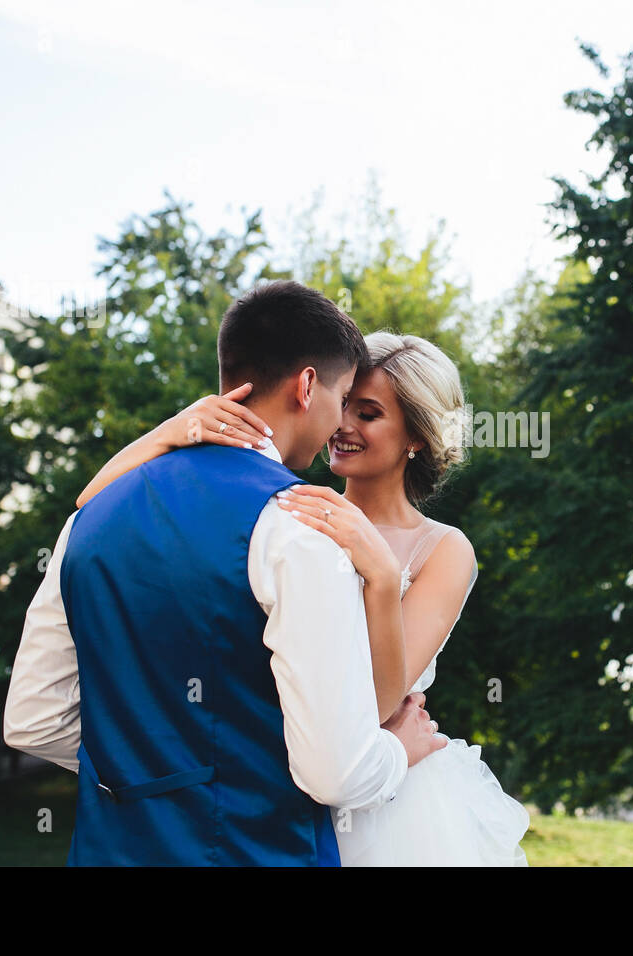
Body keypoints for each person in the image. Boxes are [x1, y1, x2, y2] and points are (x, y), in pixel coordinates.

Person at [3, 280, 446, 865]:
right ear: (308, 385)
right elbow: (337, 775)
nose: (339, 422)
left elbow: (34, 722)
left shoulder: (89, 518)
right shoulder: (301, 527)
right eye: (343, 398)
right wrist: (396, 748)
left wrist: (153, 772)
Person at [75, 328, 529, 866]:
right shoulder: (293, 513)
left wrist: (382, 577)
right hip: (273, 778)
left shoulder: (445, 550)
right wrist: (170, 433)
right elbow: (91, 507)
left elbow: (380, 704)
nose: (342, 425)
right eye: (344, 404)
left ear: (417, 437)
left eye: (368, 413)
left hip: (389, 806)